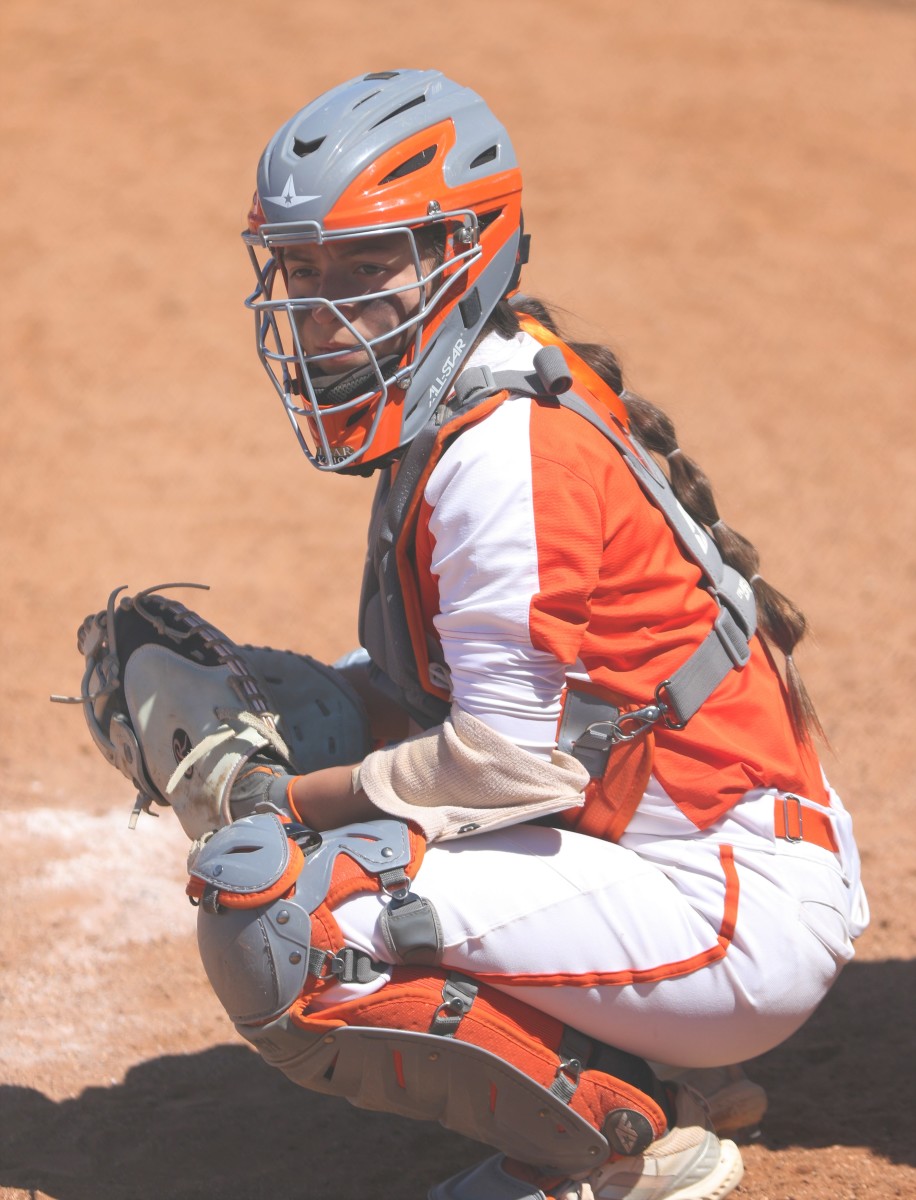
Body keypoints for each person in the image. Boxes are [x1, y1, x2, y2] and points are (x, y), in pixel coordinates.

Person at [215, 68, 869, 1200]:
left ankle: (629, 1139)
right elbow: (465, 701)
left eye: (369, 266)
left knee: (282, 900)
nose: (324, 309)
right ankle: (631, 1063)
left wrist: (283, 797)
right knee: (281, 724)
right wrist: (280, 720)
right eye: (303, 269)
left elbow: (497, 763)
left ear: (468, 251)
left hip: (726, 909)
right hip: (650, 850)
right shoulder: (468, 391)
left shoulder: (500, 452)